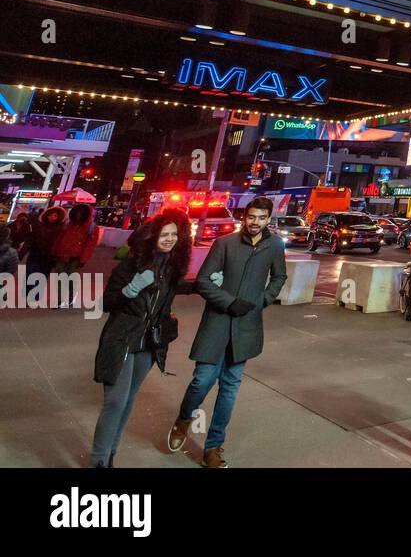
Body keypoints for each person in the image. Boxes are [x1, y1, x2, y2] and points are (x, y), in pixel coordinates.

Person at [166, 197, 286, 468]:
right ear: (244, 217)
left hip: (246, 326)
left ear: (269, 219)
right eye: (251, 217)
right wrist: (229, 302)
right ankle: (184, 418)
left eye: (261, 218)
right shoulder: (225, 243)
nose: (255, 223)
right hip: (218, 322)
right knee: (202, 380)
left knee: (230, 388)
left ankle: (213, 448)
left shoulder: (274, 245)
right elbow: (204, 280)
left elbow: (279, 276)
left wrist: (264, 299)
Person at [89, 211, 193, 468]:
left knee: (129, 400)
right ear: (153, 237)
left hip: (148, 345)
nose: (168, 239)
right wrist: (131, 289)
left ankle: (111, 455)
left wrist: (212, 283)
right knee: (115, 402)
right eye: (163, 234)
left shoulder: (171, 270)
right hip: (122, 340)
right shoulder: (130, 266)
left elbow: (180, 289)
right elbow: (105, 303)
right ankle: (99, 462)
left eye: (173, 235)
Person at [27, 205, 65, 278]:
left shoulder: (61, 229)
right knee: (30, 276)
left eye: (55, 215)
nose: (51, 217)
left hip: (49, 257)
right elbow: (31, 239)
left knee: (42, 277)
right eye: (50, 215)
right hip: (35, 254)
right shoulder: (39, 225)